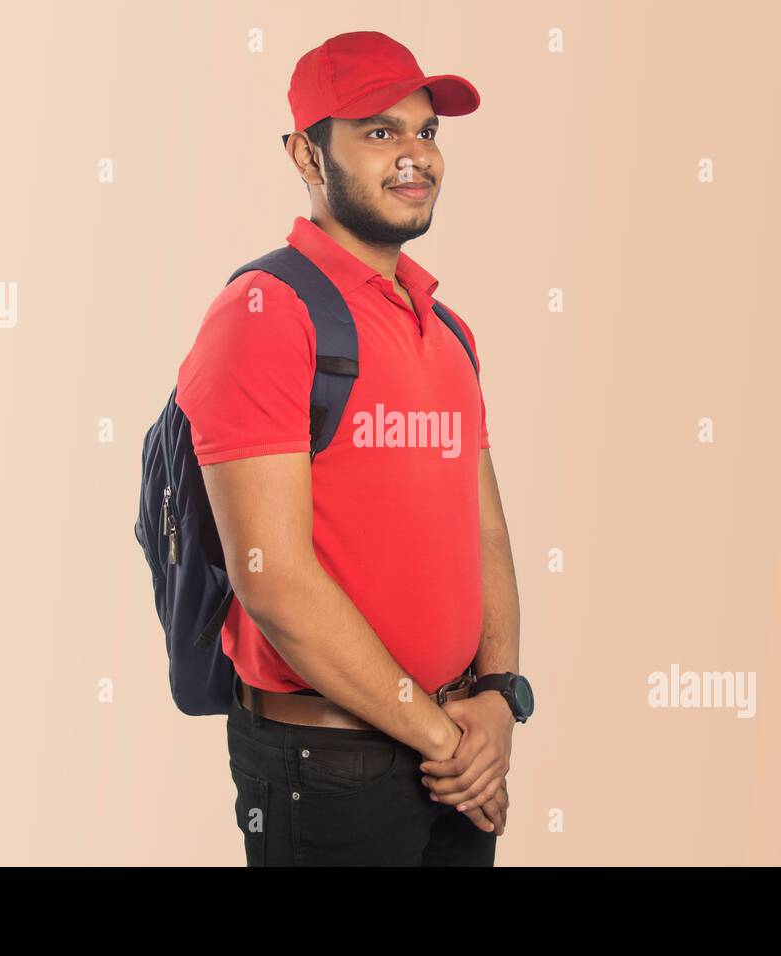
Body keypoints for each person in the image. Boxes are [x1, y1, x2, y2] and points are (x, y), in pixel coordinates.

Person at [178, 30, 532, 866]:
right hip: (328, 770)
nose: (414, 156)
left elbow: (484, 533)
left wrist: (498, 699)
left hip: (457, 753)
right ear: (306, 153)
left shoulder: (446, 328)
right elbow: (274, 583)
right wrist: (446, 739)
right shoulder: (265, 315)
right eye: (379, 132)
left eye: (426, 132)